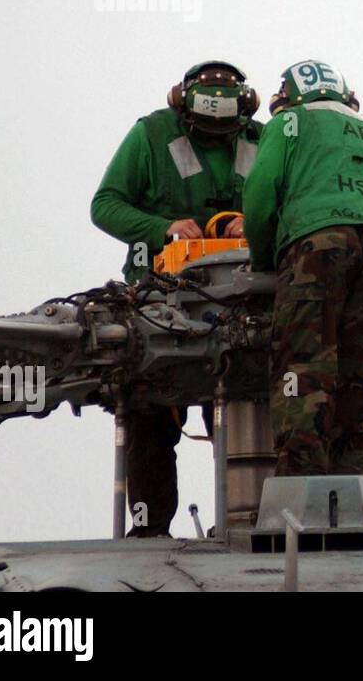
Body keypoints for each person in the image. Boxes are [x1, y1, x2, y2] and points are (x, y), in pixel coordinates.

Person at [90, 60, 262, 536]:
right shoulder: (151, 136)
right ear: (183, 106)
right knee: (149, 416)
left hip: (239, 303)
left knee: (247, 408)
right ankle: (149, 533)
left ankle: (250, 526)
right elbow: (105, 205)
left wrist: (258, 221)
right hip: (158, 303)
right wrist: (161, 229)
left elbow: (290, 205)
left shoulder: (260, 139)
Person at [243, 60, 363, 478]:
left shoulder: (288, 123)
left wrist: (265, 263)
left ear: (288, 96)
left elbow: (261, 190)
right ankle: (352, 482)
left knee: (304, 360)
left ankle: (301, 483)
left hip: (315, 245)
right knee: (362, 366)